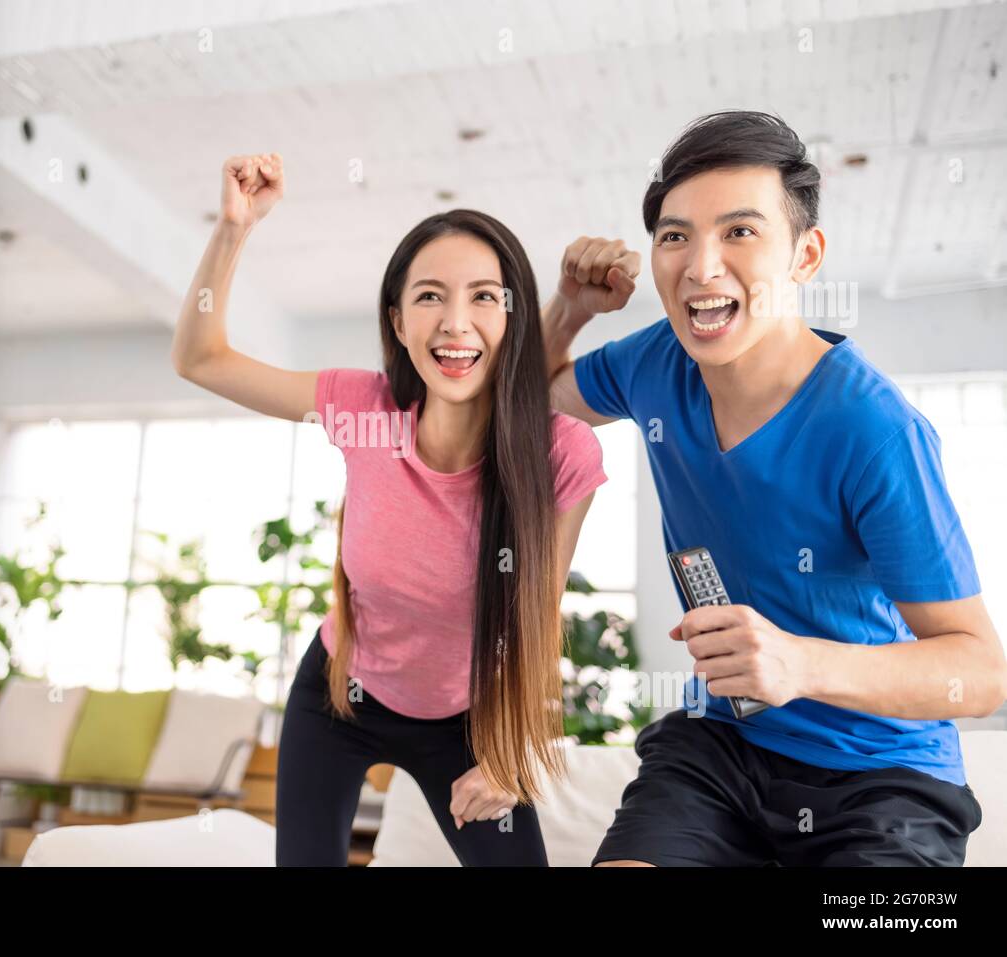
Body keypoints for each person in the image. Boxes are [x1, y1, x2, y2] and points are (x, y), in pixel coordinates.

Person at [544, 111, 1005, 866]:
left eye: (739, 232)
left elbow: (981, 671)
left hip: (883, 776)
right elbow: (531, 398)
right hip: (721, 748)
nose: (701, 266)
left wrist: (802, 664)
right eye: (675, 236)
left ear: (806, 254)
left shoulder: (874, 430)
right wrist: (569, 310)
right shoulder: (657, 361)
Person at [172, 152, 632, 865]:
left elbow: (534, 618)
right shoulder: (364, 410)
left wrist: (507, 754)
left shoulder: (559, 454)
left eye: (484, 296)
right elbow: (202, 359)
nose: (455, 322)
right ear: (397, 317)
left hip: (466, 720)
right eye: (429, 296)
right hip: (339, 697)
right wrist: (234, 228)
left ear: (511, 314)